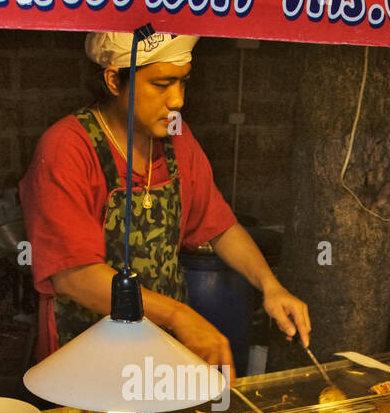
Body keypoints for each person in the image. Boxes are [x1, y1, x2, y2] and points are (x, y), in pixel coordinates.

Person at [19, 31, 310, 377]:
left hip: (157, 356)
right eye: (162, 84)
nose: (177, 101)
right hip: (85, 357)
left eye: (183, 82)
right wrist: (179, 315)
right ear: (114, 80)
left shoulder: (176, 139)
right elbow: (73, 275)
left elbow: (220, 226)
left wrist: (270, 285)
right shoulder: (68, 148)